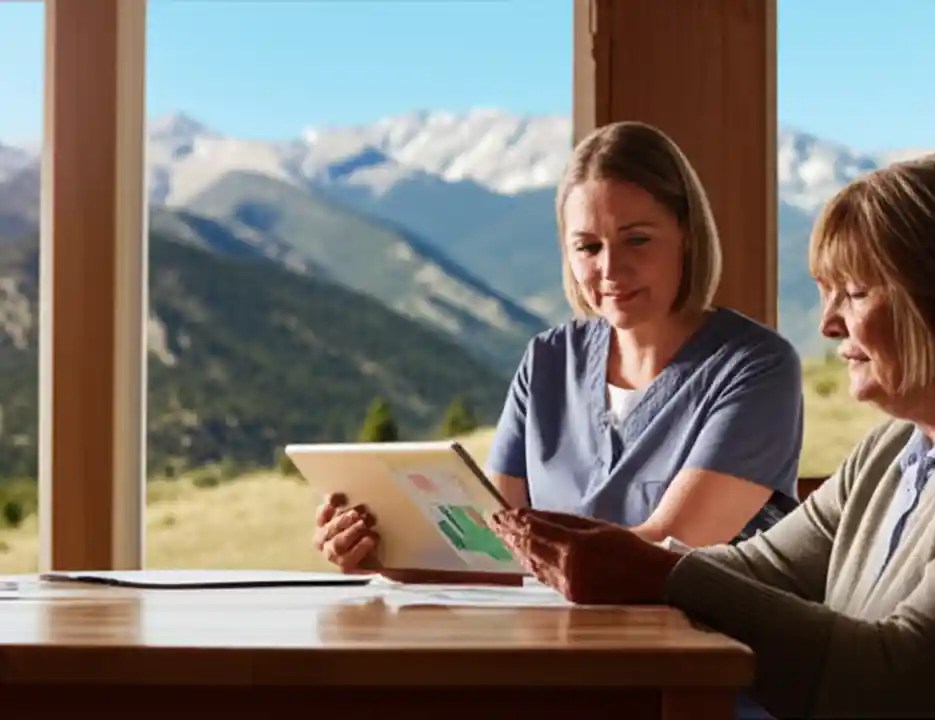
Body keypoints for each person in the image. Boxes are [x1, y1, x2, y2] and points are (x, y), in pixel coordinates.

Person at [491, 151, 935, 718]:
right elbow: (761, 571)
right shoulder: (901, 449)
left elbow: (902, 690)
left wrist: (660, 573)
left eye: (855, 294)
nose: (829, 324)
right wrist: (618, 559)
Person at [313, 120, 804, 574]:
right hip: (551, 646)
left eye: (636, 240)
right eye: (588, 247)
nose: (609, 269)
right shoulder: (548, 360)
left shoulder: (756, 368)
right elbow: (490, 545)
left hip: (700, 655)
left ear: (687, 237)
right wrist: (389, 553)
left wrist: (514, 552)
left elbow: (661, 551)